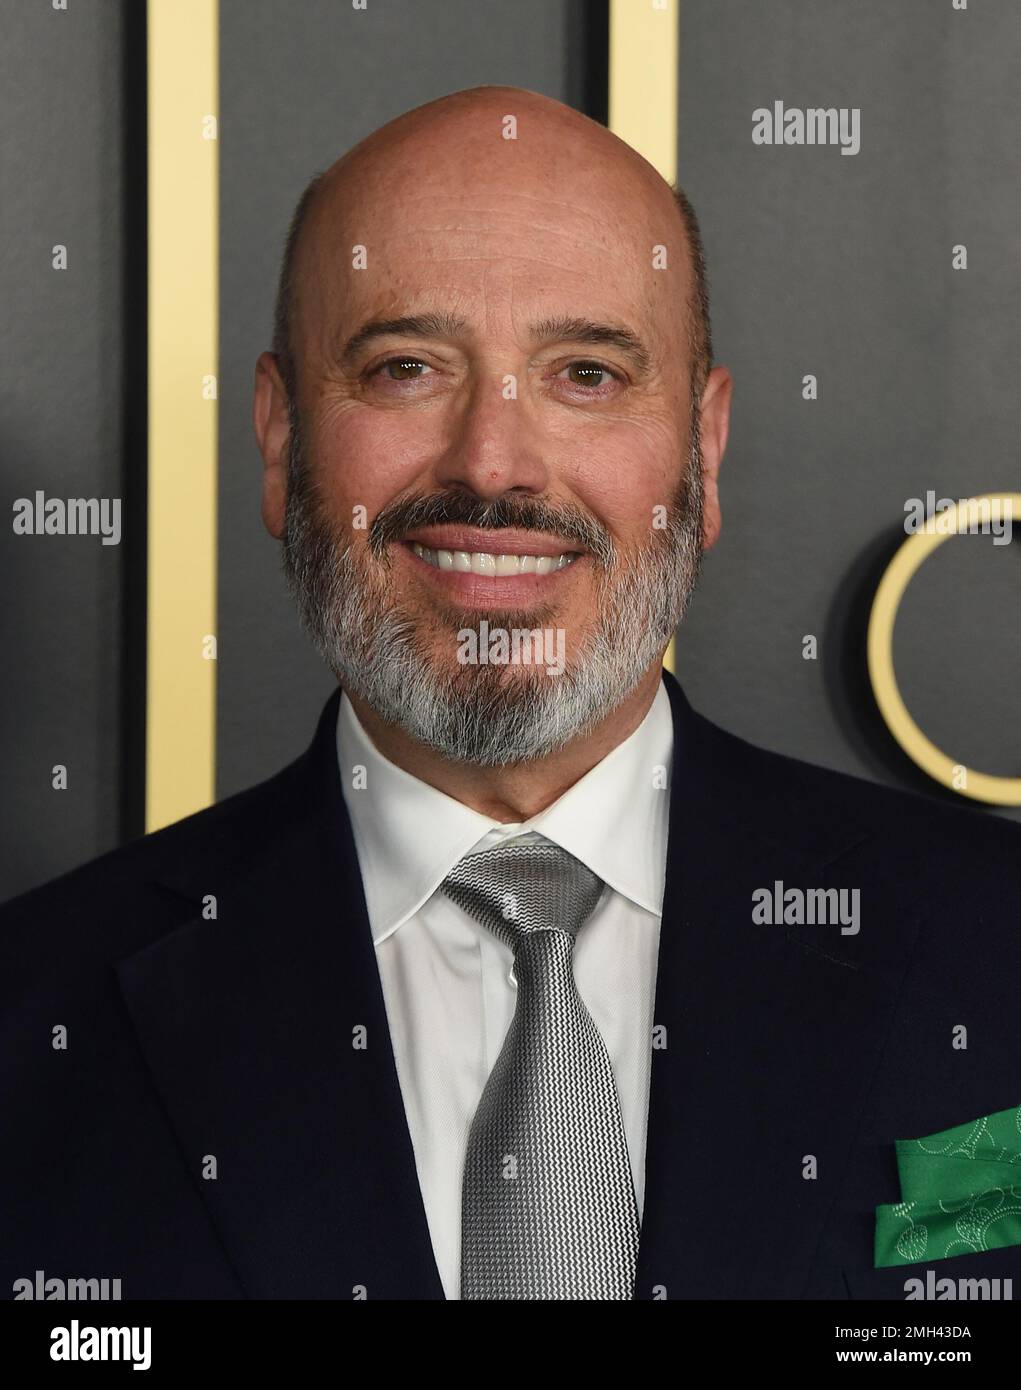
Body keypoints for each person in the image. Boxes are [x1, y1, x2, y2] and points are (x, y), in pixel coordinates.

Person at [2, 86, 1019, 1302]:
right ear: (279, 438)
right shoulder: (33, 1022)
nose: (492, 461)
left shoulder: (990, 954)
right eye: (406, 367)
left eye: (586, 372)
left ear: (703, 448)